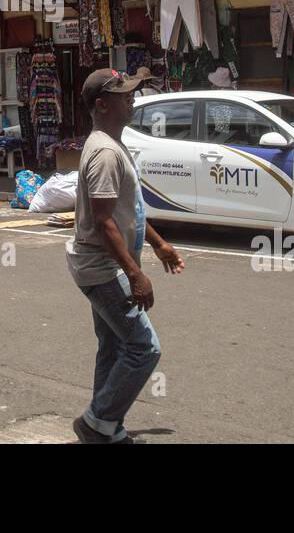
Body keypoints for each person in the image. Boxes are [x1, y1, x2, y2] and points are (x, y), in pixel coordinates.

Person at [68, 67, 183, 445]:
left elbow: (125, 210)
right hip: (102, 269)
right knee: (143, 348)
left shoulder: (112, 143)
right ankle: (98, 421)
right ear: (102, 105)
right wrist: (135, 273)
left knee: (115, 345)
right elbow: (104, 222)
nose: (131, 97)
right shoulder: (103, 151)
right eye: (123, 94)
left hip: (103, 265)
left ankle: (104, 423)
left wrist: (157, 243)